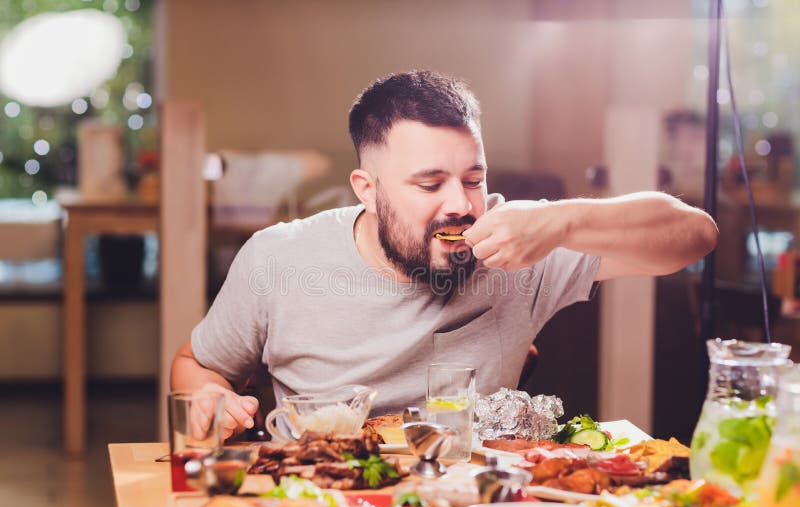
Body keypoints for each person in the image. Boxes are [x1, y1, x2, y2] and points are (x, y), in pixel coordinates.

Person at [171, 70, 718, 439]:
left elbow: (694, 236)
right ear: (367, 189)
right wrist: (211, 399)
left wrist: (561, 221)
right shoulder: (280, 259)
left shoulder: (520, 240)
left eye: (473, 179)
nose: (461, 204)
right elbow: (196, 365)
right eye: (429, 184)